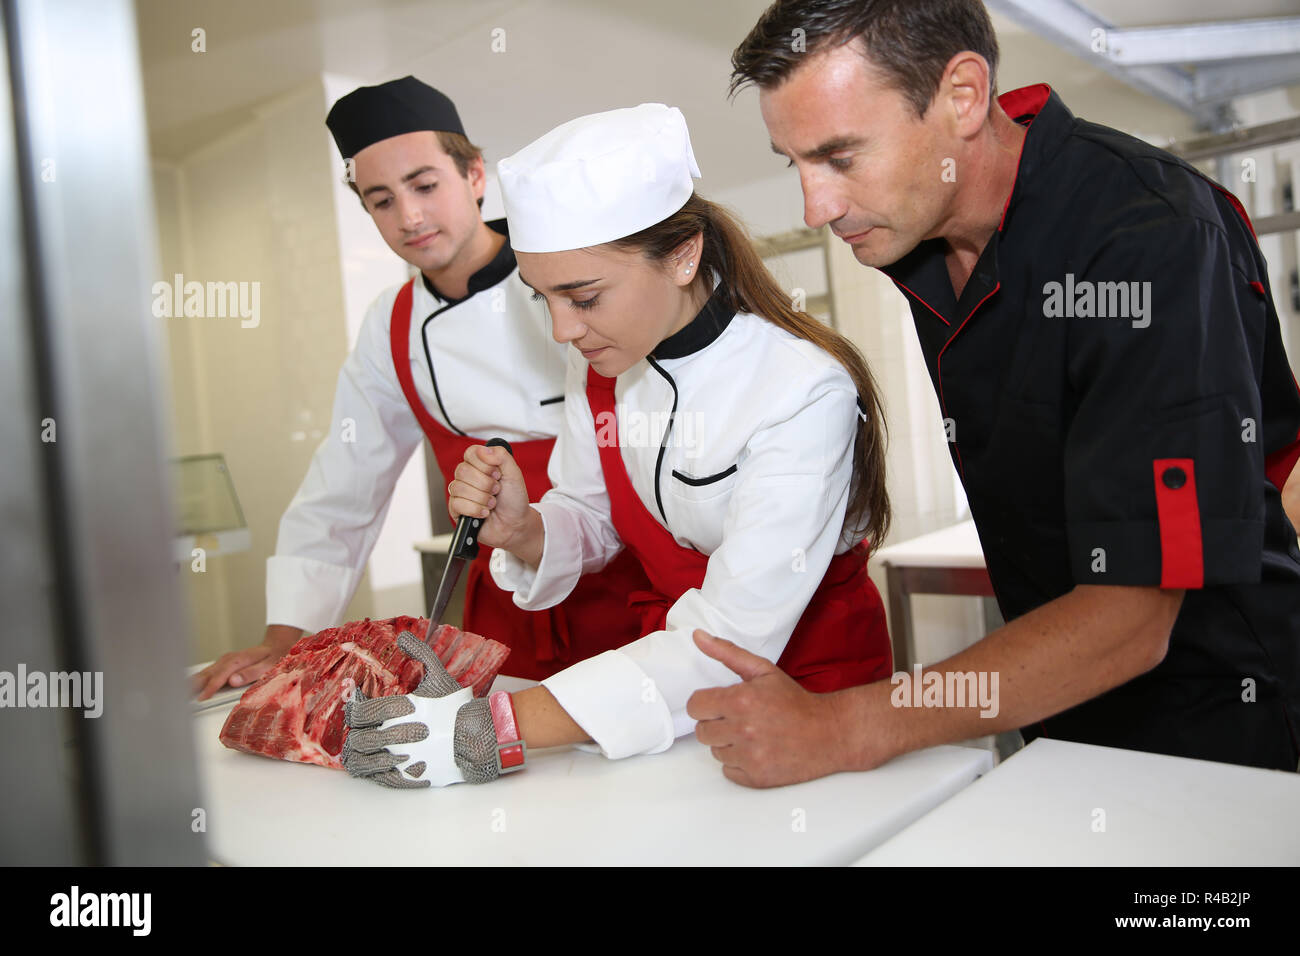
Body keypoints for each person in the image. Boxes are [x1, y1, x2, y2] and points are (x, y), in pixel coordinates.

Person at [686, 0, 1300, 787]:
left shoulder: (1148, 237)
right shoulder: (919, 244)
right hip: (1058, 718)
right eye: (794, 163)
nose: (817, 207)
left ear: (964, 97)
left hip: (1221, 733)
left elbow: (1132, 616)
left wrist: (849, 723)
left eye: (841, 157)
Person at [338, 103, 893, 788]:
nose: (562, 330)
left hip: (809, 702)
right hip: (662, 695)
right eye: (543, 299)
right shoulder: (607, 360)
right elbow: (594, 515)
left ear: (684, 255)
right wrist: (528, 528)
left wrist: (492, 726)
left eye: (584, 297)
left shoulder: (802, 390)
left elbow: (729, 638)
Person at [191, 77, 647, 700]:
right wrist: (285, 635)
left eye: (425, 185)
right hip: (506, 611)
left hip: (633, 583)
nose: (409, 216)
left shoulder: (575, 273)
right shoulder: (392, 322)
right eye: (381, 200)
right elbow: (346, 482)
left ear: (476, 176)